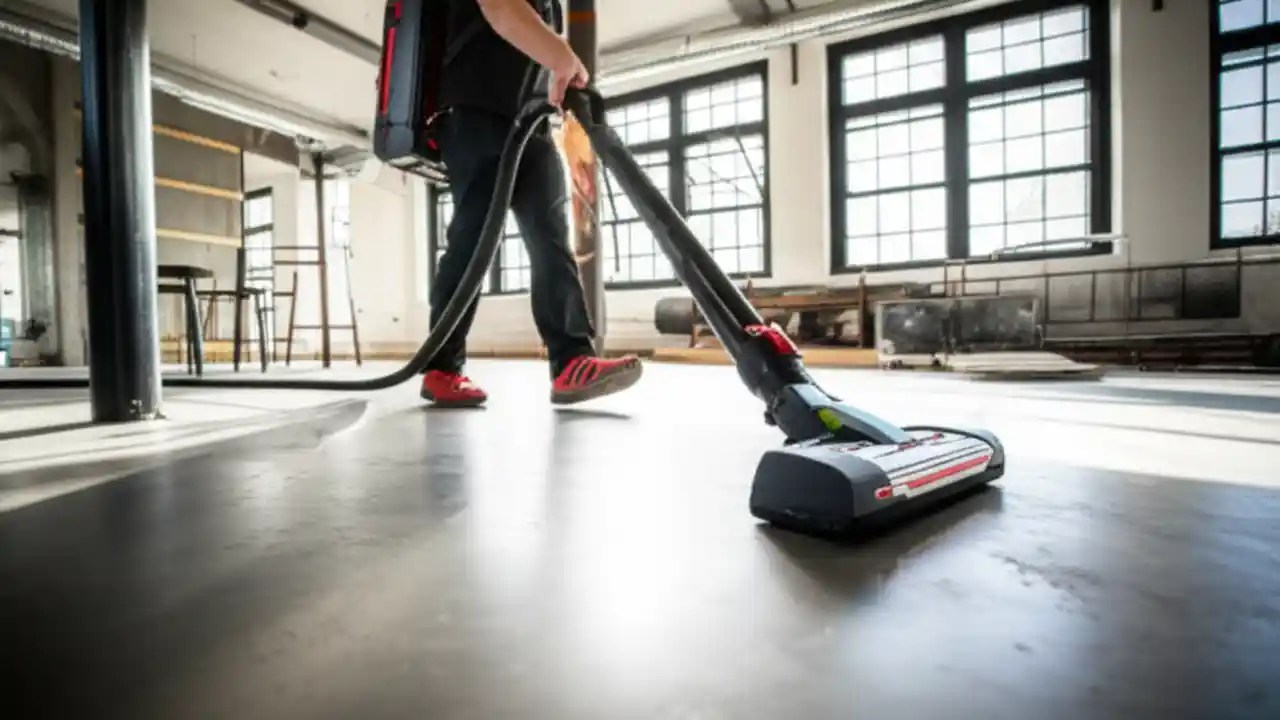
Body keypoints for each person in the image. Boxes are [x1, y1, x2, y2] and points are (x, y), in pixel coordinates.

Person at [420, 0, 643, 408]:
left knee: (551, 237)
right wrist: (562, 55)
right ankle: (442, 368)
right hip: (475, 112)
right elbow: (500, 8)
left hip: (531, 123)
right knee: (474, 239)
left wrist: (557, 67)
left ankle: (572, 360)